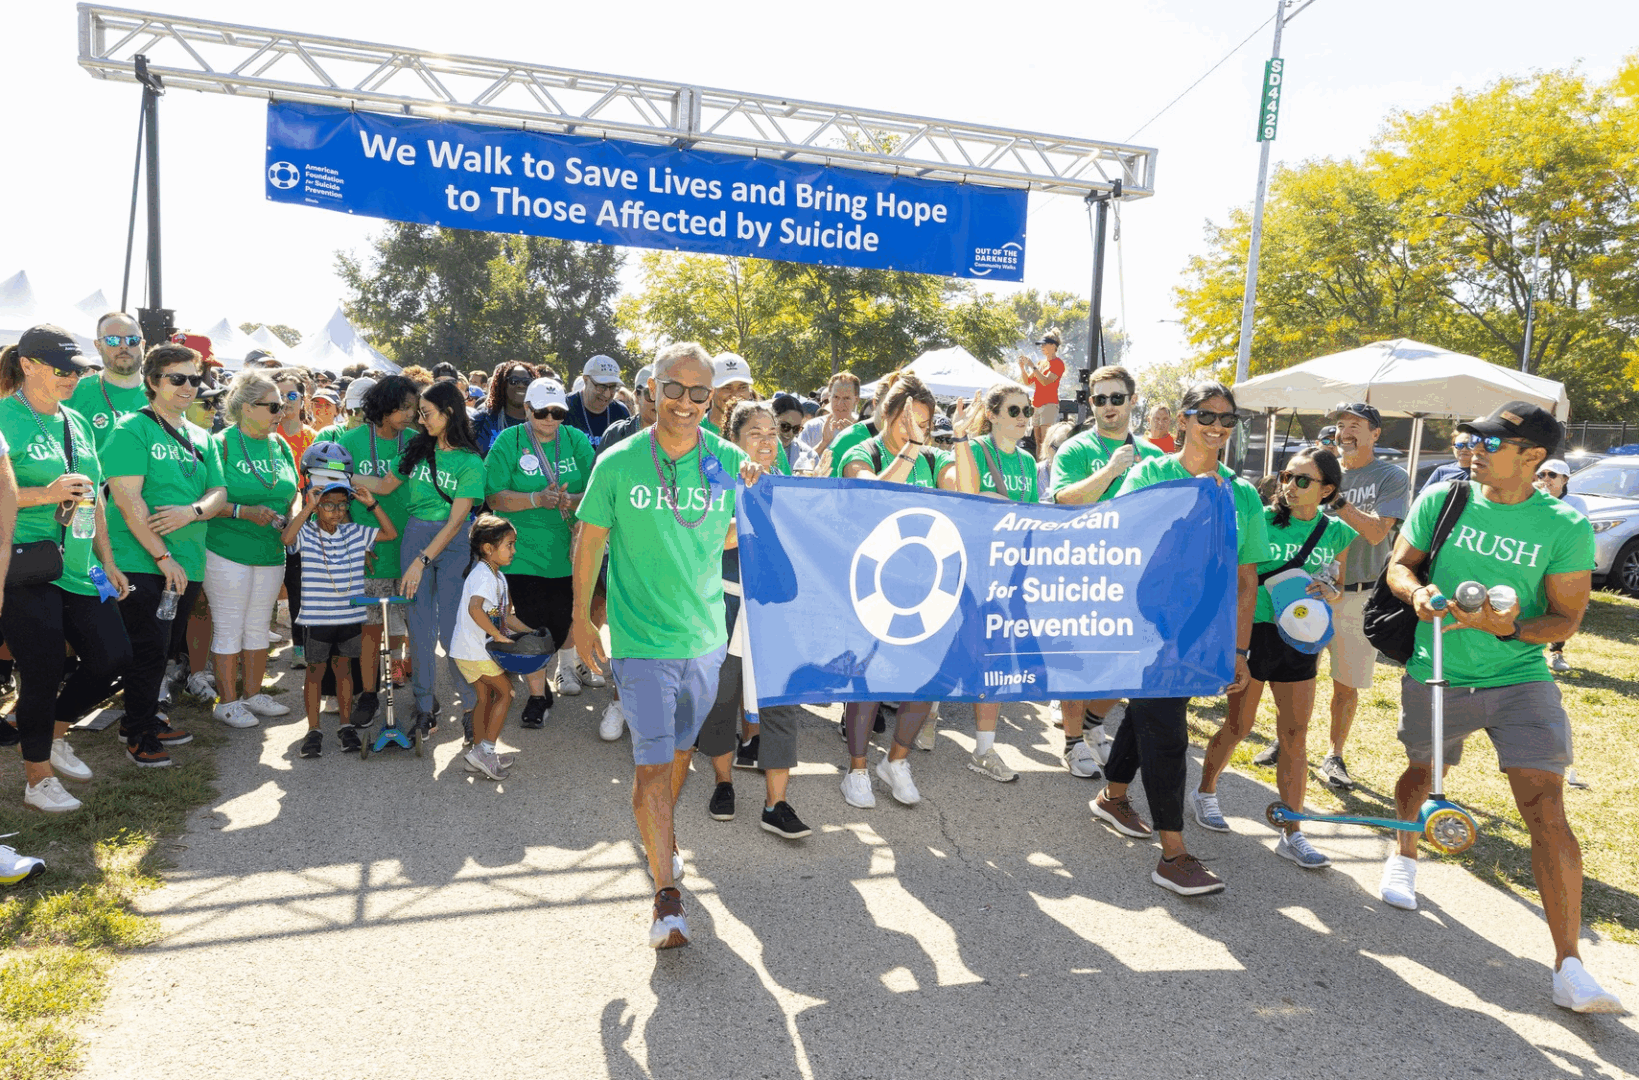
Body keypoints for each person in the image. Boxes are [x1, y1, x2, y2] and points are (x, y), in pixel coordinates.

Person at [1381, 401, 1622, 1014]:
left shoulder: (1564, 525)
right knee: (1424, 775)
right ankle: (1405, 853)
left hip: (1521, 678)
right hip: (1438, 669)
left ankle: (1570, 965)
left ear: (1532, 457)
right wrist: (1419, 596)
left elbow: (1566, 618)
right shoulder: (1445, 499)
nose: (1475, 446)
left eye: (1492, 440)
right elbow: (1398, 568)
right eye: (1475, 436)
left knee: (1546, 807)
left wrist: (1509, 630)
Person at [571, 341, 757, 950]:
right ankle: (666, 900)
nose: (683, 401)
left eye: (697, 391)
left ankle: (660, 837)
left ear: (712, 397)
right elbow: (591, 541)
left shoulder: (727, 459)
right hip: (639, 640)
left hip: (705, 638)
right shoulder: (619, 462)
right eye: (672, 389)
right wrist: (581, 618)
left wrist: (757, 497)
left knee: (675, 757)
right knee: (653, 763)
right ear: (651, 389)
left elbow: (730, 535)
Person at [1090, 381, 1269, 896]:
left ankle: (1112, 796)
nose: (1216, 426)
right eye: (1205, 415)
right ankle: (1174, 855)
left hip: (1203, 632)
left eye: (1226, 419)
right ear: (1184, 420)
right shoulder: (1151, 473)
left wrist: (1239, 650)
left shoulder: (1242, 492)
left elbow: (1246, 576)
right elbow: (1121, 539)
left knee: (1150, 713)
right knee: (1167, 731)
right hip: (1148, 628)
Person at [1193, 448, 1355, 867]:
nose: (1289, 486)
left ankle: (1293, 830)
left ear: (1327, 490)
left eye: (1303, 480)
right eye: (1286, 476)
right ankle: (1205, 791)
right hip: (1255, 635)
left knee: (1296, 736)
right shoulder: (1259, 520)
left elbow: (1337, 585)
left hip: (1302, 640)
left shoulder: (1336, 533)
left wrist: (1331, 592)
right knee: (1239, 725)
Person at [0, 327, 132, 812]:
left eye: (78, 369)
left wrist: (108, 562)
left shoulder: (77, 421)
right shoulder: (3, 416)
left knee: (114, 657)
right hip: (26, 565)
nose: (73, 377)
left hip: (79, 565)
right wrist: (45, 494)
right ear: (29, 364)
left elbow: (94, 495)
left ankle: (54, 734)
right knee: (42, 669)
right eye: (63, 369)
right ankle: (37, 780)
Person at [105, 342, 229, 766]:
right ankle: (139, 733)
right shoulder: (131, 428)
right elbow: (127, 501)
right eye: (177, 379)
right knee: (149, 649)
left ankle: (141, 719)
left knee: (165, 648)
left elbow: (218, 492)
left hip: (188, 560)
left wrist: (192, 511)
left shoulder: (201, 436)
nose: (188, 387)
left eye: (195, 379)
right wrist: (162, 557)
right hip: (142, 559)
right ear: (153, 382)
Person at [694, 400, 810, 838]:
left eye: (772, 432)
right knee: (721, 700)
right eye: (755, 434)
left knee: (780, 704)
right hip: (725, 605)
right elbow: (709, 543)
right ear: (734, 442)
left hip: (775, 610)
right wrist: (746, 500)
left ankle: (776, 803)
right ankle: (723, 783)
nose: (767, 440)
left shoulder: (788, 484)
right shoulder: (714, 479)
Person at [1049, 365, 1164, 776]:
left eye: (1117, 398)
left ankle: (1095, 724)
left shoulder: (1154, 454)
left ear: (1132, 401)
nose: (1109, 406)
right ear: (1090, 404)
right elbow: (1065, 500)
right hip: (1083, 571)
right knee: (1078, 660)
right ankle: (1073, 741)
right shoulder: (1076, 449)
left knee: (1128, 659)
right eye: (1100, 399)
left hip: (1135, 575)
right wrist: (1113, 469)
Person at [354, 379, 486, 734]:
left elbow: (457, 521)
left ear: (449, 413)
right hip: (415, 536)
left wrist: (421, 560)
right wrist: (340, 475)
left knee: (450, 632)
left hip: (451, 544)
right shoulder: (417, 448)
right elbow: (383, 485)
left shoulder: (471, 462)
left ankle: (472, 706)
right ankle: (424, 707)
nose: (421, 420)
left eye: (427, 414)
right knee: (420, 629)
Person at [837, 372, 942, 809]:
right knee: (869, 682)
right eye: (907, 421)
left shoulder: (933, 459)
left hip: (924, 585)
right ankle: (857, 769)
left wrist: (952, 445)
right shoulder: (861, 449)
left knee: (924, 680)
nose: (915, 431)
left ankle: (896, 761)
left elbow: (968, 497)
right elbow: (869, 494)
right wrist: (909, 450)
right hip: (870, 584)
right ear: (885, 414)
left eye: (924, 423)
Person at [932, 382, 1041, 782]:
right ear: (992, 414)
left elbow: (1029, 516)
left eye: (1027, 411)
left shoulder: (1029, 462)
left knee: (992, 658)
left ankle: (983, 749)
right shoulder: (975, 448)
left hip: (1006, 573)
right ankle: (926, 713)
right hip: (965, 569)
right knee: (947, 648)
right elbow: (964, 492)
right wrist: (961, 436)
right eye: (1014, 410)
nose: (1022, 418)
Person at [483, 378, 594, 730]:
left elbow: (596, 491)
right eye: (542, 411)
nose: (549, 418)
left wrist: (570, 500)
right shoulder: (509, 441)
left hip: (568, 550)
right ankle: (536, 695)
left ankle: (555, 664)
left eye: (557, 412)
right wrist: (535, 499)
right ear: (527, 409)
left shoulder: (575, 440)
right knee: (533, 621)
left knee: (561, 624)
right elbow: (493, 496)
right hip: (521, 551)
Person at [204, 369, 299, 728]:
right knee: (230, 626)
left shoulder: (280, 445)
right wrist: (244, 511)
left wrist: (288, 518)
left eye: (285, 403)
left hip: (270, 551)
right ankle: (226, 702)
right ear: (246, 408)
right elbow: (205, 499)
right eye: (274, 405)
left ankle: (253, 694)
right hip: (227, 548)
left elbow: (289, 492)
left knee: (259, 625)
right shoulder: (220, 443)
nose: (283, 412)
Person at [279, 474, 394, 758]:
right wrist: (308, 506)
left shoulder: (355, 532)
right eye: (329, 505)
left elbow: (390, 534)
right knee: (315, 671)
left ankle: (345, 726)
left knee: (343, 671)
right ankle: (313, 730)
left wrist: (372, 504)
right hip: (317, 618)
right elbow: (286, 538)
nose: (337, 511)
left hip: (349, 616)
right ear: (318, 507)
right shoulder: (307, 533)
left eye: (342, 505)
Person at [338, 375, 418, 726]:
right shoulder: (351, 441)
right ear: (384, 407)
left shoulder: (418, 442)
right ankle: (369, 694)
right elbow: (335, 495)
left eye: (415, 409)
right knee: (371, 628)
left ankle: (420, 693)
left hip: (412, 546)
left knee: (413, 623)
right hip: (371, 548)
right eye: (404, 408)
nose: (411, 415)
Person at [451, 515, 535, 779]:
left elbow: (506, 615)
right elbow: (475, 609)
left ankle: (478, 754)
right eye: (509, 545)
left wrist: (531, 632)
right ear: (488, 548)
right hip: (474, 651)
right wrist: (497, 635)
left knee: (485, 698)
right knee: (506, 693)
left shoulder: (496, 576)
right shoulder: (484, 577)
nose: (514, 550)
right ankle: (484, 751)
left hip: (470, 651)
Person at [1534, 458, 1586, 674]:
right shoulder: (1533, 498)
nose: (1546, 479)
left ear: (1565, 479)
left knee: (1560, 608)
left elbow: (1575, 531)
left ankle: (1556, 653)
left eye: (1552, 475)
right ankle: (1530, 651)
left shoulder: (1576, 503)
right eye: (1541, 475)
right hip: (1535, 559)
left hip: (1562, 562)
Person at [70, 312, 150, 448]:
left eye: (132, 340)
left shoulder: (164, 393)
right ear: (98, 346)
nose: (124, 346)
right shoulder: (73, 392)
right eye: (112, 340)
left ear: (142, 344)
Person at [564, 354, 629, 450]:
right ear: (586, 380)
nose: (607, 394)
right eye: (601, 386)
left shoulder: (621, 412)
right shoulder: (565, 407)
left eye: (612, 387)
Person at [472, 361, 537, 456]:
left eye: (527, 382)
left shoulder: (544, 420)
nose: (521, 385)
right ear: (502, 385)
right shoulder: (482, 420)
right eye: (513, 381)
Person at [1018, 328, 1065, 448]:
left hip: (1049, 404)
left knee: (1045, 440)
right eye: (1041, 344)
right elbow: (1028, 381)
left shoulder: (1058, 363)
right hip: (1036, 404)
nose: (1042, 347)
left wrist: (1032, 366)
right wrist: (1023, 368)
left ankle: (1048, 465)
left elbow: (1046, 381)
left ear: (1053, 345)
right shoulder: (1041, 363)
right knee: (1038, 441)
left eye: (1044, 344)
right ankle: (1039, 466)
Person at [798, 372, 861, 461]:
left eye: (846, 398)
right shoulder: (811, 427)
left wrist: (853, 440)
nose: (840, 404)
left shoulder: (864, 428)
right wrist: (824, 442)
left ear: (856, 400)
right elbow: (798, 465)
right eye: (836, 397)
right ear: (830, 397)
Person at [598, 364, 655, 453]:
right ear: (637, 396)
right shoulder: (616, 434)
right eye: (650, 394)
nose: (657, 401)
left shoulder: (681, 436)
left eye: (662, 394)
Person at [706, 352, 754, 436]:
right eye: (726, 388)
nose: (735, 395)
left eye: (742, 387)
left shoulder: (764, 431)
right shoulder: (694, 431)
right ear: (710, 391)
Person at [771, 393, 816, 474]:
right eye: (785, 426)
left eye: (796, 429)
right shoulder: (756, 449)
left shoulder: (809, 455)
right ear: (772, 420)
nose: (790, 433)